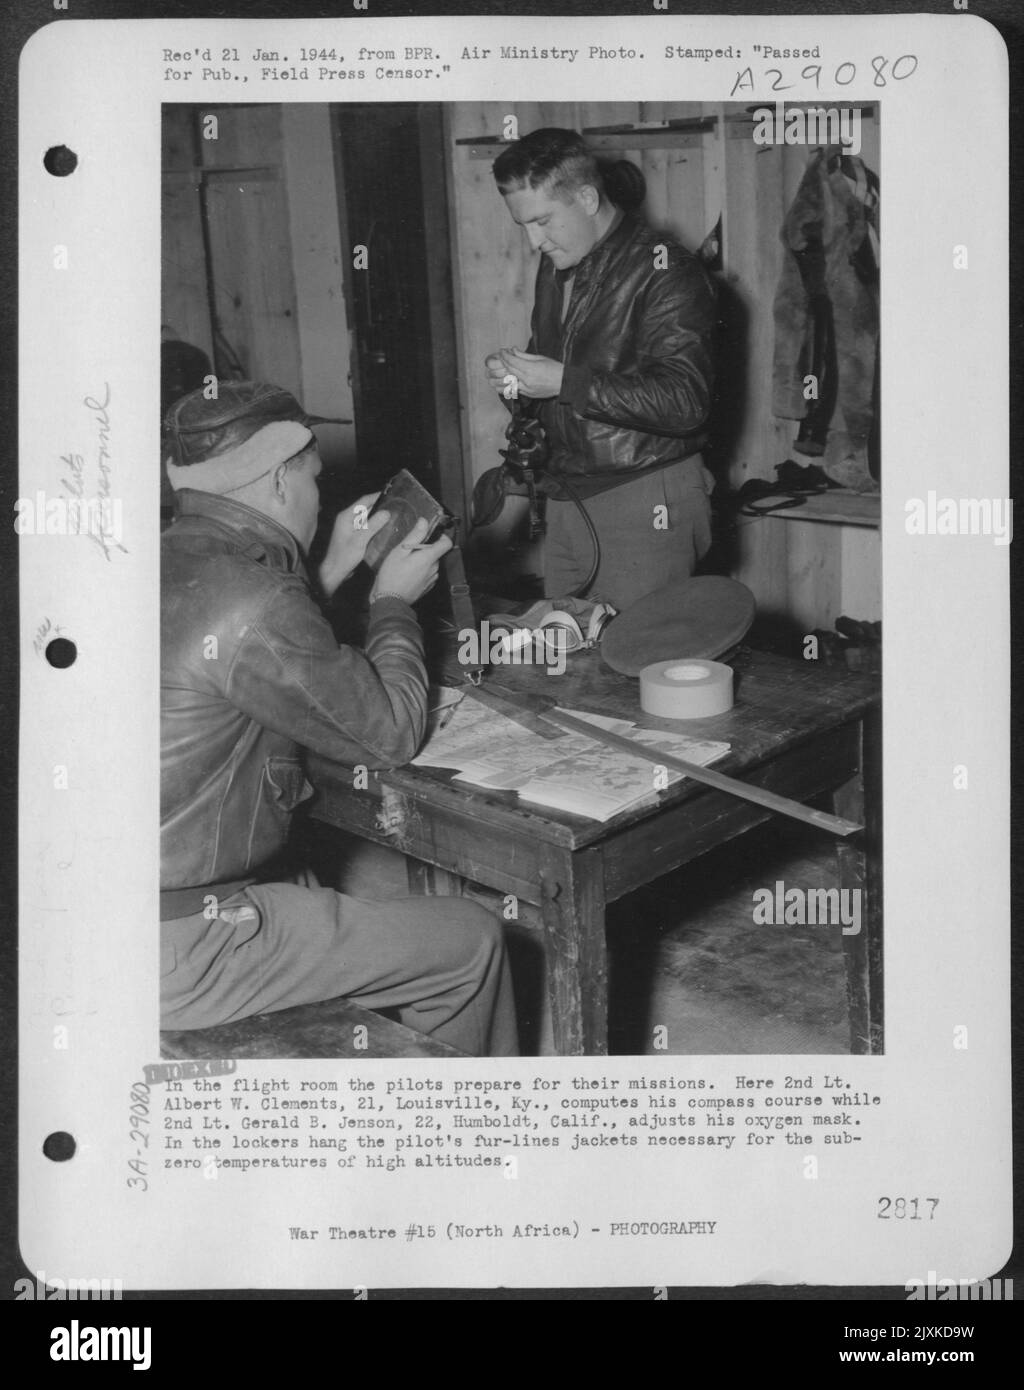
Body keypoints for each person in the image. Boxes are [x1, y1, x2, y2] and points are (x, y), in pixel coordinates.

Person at [160, 380, 518, 1056]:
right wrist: (392, 602)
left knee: (314, 886)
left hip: (126, 906)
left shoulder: (169, 556)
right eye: (314, 481)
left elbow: (244, 653)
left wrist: (325, 569)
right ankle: (472, 1138)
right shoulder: (257, 602)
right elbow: (388, 735)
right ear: (276, 481)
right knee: (471, 940)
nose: (320, 499)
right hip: (185, 945)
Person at [485, 127, 718, 612]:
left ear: (587, 198)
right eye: (524, 225)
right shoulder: (558, 263)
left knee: (641, 667)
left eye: (543, 221)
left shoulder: (667, 269)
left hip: (644, 495)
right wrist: (518, 381)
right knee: (567, 664)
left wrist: (562, 381)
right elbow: (557, 377)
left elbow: (685, 401)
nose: (533, 241)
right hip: (570, 495)